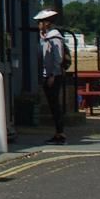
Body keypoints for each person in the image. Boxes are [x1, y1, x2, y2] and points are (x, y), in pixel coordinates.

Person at [34, 8, 68, 143]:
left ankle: (60, 133)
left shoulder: (55, 37)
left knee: (55, 104)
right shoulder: (46, 37)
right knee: (52, 104)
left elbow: (58, 58)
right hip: (47, 74)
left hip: (54, 75)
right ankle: (58, 132)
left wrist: (53, 74)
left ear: (46, 23)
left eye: (40, 22)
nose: (38, 25)